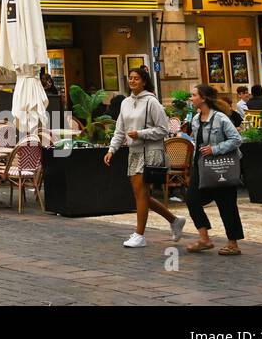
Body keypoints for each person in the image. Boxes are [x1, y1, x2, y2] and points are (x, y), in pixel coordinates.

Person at [105, 67, 184, 248]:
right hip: (134, 152)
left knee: (141, 192)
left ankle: (139, 234)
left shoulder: (152, 102)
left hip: (151, 151)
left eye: (136, 78)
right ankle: (174, 220)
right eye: (130, 78)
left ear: (144, 81)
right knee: (141, 195)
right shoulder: (125, 103)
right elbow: (120, 130)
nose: (132, 81)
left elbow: (164, 129)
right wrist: (111, 150)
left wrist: (140, 133)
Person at [183, 83, 245, 255]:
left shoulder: (220, 118)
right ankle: (204, 238)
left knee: (226, 204)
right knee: (192, 199)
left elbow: (236, 139)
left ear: (203, 98)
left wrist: (215, 149)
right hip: (201, 166)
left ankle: (233, 244)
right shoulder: (195, 120)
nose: (191, 98)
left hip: (222, 165)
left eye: (194, 95)